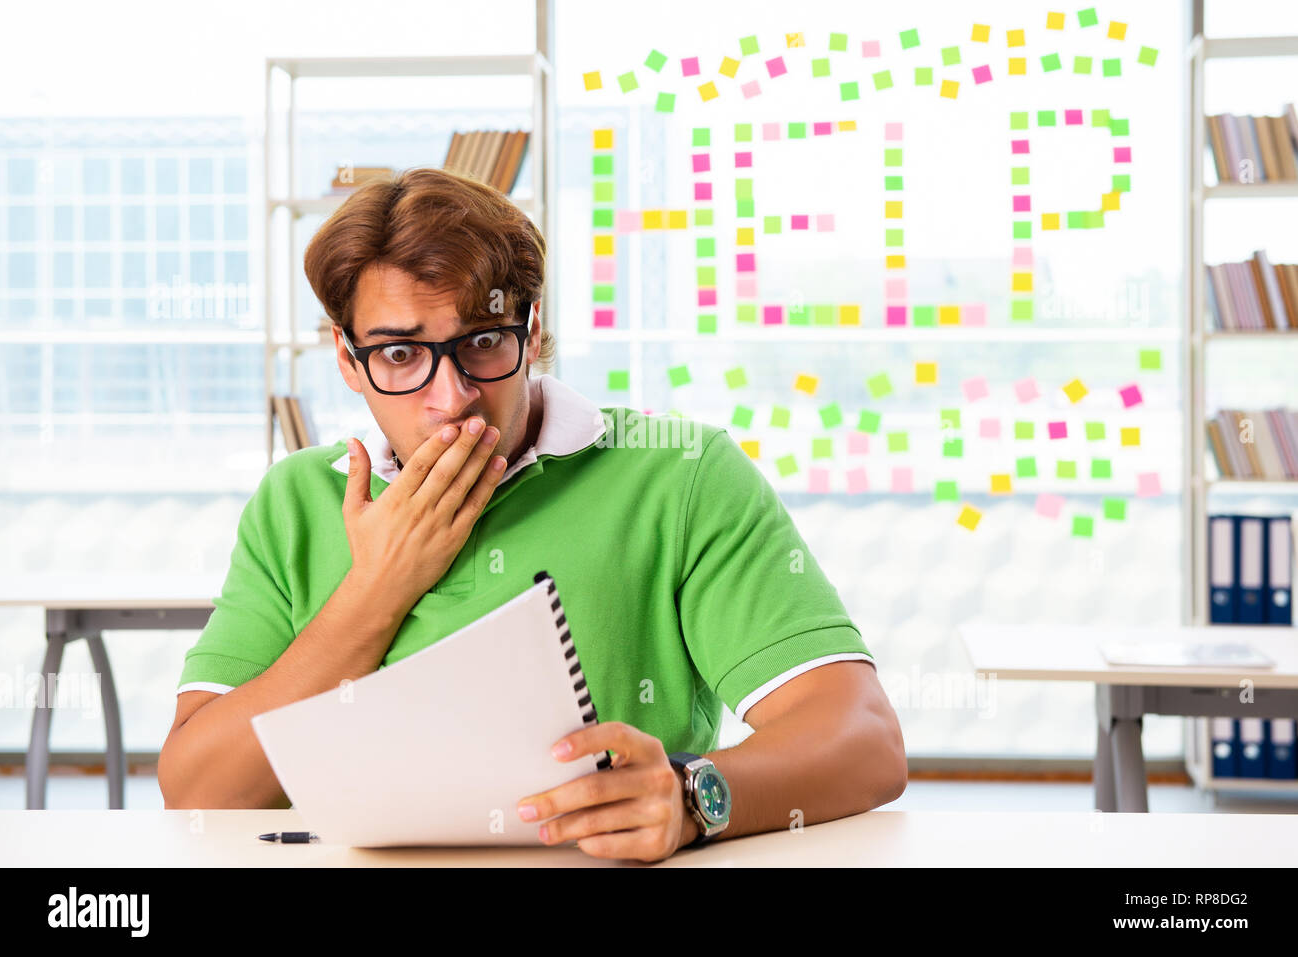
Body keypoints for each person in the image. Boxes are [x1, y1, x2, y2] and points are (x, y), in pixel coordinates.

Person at [158, 167, 906, 862]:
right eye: (397, 355)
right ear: (348, 360)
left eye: (483, 342)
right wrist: (377, 590)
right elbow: (198, 792)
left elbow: (864, 737)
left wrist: (691, 796)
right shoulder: (295, 501)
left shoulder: (681, 474)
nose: (449, 399)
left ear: (534, 329)